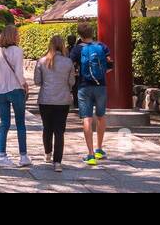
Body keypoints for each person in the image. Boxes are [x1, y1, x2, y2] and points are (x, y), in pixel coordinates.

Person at [70, 23, 113, 166]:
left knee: (87, 118)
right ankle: (100, 148)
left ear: (80, 35)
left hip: (84, 86)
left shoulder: (77, 49)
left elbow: (72, 67)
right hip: (101, 86)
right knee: (101, 116)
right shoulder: (102, 47)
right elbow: (110, 66)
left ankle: (90, 154)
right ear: (92, 32)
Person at [0, 25, 30, 167]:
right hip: (15, 90)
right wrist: (24, 84)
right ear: (13, 35)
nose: (18, 36)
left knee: (4, 124)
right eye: (17, 34)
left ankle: (1, 156)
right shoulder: (18, 51)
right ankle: (23, 156)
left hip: (0, 91)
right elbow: (18, 72)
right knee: (20, 124)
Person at [33, 35, 73, 171]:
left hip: (45, 99)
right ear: (62, 46)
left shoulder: (42, 61)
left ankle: (47, 153)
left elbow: (37, 81)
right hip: (62, 100)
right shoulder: (68, 62)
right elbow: (72, 82)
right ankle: (58, 162)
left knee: (47, 128)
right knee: (59, 131)